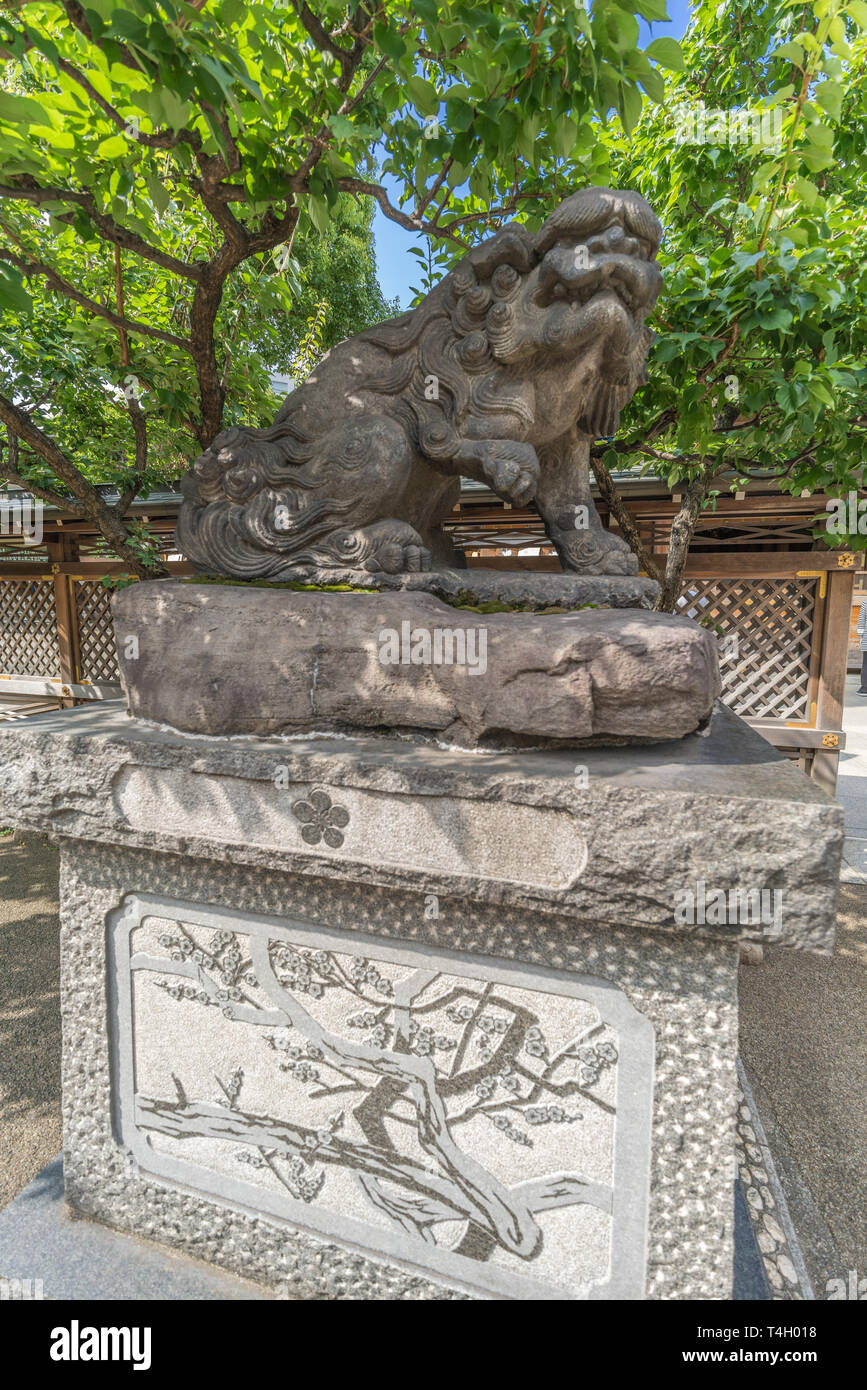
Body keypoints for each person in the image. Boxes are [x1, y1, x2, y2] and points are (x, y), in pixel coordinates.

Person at [858, 599, 867, 695]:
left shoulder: (866, 602)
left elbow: (861, 620)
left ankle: (865, 688)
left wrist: (861, 636)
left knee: (866, 664)